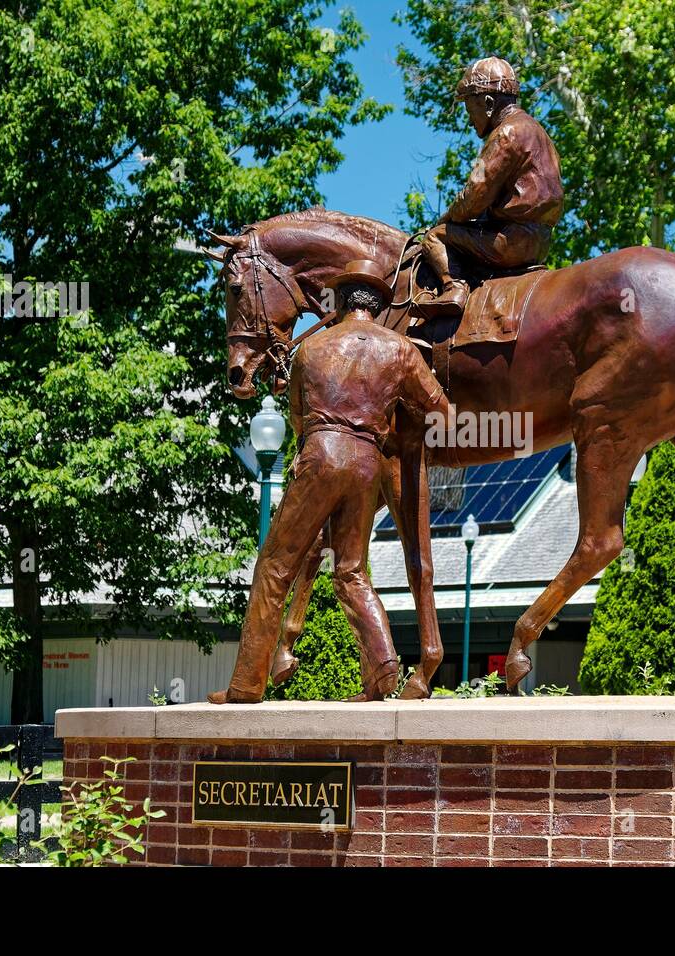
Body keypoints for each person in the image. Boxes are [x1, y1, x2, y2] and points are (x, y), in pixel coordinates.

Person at [209, 260, 451, 704]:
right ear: (377, 306)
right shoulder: (400, 350)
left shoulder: (310, 349)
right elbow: (443, 413)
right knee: (352, 571)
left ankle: (246, 686)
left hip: (320, 453)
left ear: (338, 301)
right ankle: (383, 675)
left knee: (276, 566)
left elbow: (298, 422)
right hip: (367, 463)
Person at [415, 56, 564, 316]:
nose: (470, 121)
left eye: (469, 110)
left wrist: (442, 222)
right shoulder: (539, 132)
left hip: (512, 240)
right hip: (540, 242)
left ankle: (454, 290)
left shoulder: (506, 134)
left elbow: (472, 198)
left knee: (434, 237)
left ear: (487, 103)